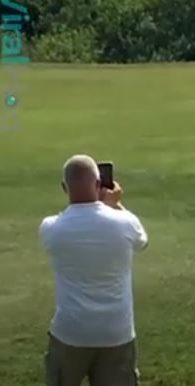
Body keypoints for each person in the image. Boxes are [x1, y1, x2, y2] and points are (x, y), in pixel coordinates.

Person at [38, 154, 149, 386]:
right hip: (116, 331)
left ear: (64, 188)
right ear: (99, 184)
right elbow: (142, 242)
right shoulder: (126, 222)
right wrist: (116, 205)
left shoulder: (51, 228)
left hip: (70, 332)